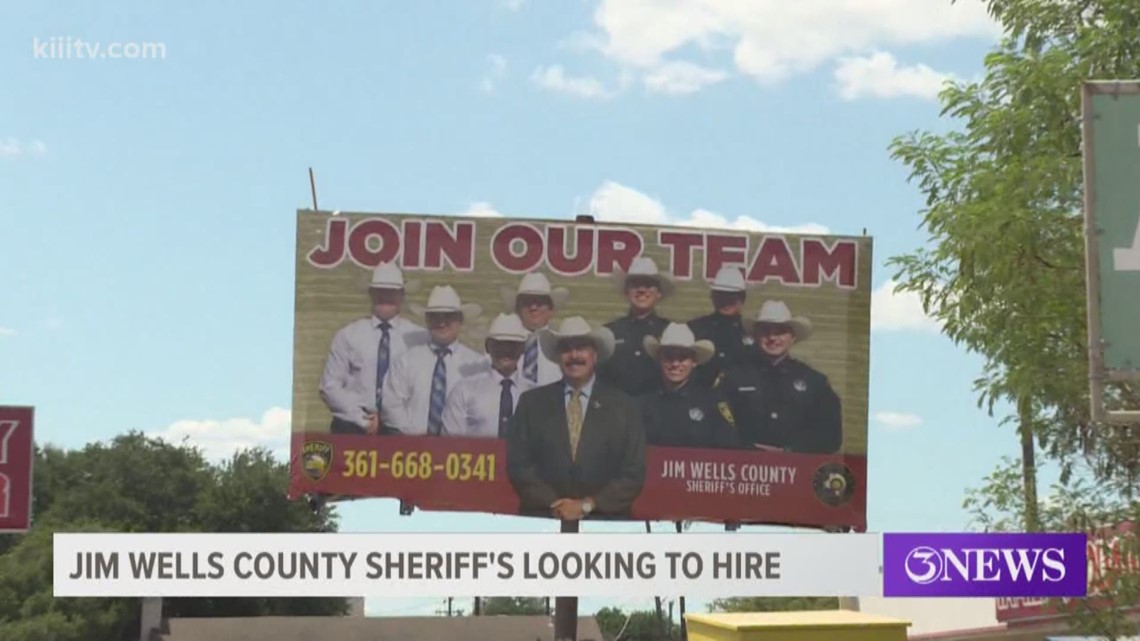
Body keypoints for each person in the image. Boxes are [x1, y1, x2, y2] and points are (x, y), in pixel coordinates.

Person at [506, 316, 646, 519]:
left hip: (604, 525)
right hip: (544, 521)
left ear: (595, 355)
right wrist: (555, 505)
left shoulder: (623, 407)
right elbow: (519, 465)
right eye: (566, 349)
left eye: (581, 348)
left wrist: (587, 506)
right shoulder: (532, 403)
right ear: (557, 357)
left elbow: (633, 474)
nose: (574, 356)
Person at [719, 300, 843, 454]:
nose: (772, 337)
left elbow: (831, 436)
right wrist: (750, 449)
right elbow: (718, 425)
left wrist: (790, 451)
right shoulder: (733, 377)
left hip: (796, 468)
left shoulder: (814, 382)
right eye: (766, 330)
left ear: (793, 337)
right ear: (755, 335)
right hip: (745, 464)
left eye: (780, 331)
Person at [318, 262, 428, 435]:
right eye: (380, 290)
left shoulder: (420, 338)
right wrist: (362, 419)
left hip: (403, 430)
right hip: (353, 427)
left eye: (391, 291)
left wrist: (393, 419)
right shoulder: (348, 335)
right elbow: (329, 386)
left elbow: (424, 389)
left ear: (402, 295)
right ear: (371, 293)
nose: (386, 296)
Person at [380, 285, 487, 435]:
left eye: (448, 317)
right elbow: (391, 404)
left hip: (462, 451)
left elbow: (484, 411)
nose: (442, 322)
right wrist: (413, 435)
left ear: (460, 320)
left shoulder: (477, 365)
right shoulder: (408, 360)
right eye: (436, 316)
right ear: (427, 320)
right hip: (412, 449)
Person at [639, 323, 739, 450]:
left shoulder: (712, 403)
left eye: (683, 357)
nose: (675, 364)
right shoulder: (642, 403)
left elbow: (729, 449)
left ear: (694, 362)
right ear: (659, 359)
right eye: (669, 357)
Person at [441, 313, 534, 438]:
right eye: (500, 344)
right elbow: (451, 441)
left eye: (513, 344)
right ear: (488, 347)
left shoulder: (534, 393)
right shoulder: (465, 390)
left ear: (523, 348)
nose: (506, 350)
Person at [598, 256, 672, 398]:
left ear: (659, 293)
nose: (642, 289)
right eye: (635, 284)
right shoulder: (610, 331)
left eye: (648, 284)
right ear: (626, 291)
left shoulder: (669, 331)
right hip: (618, 411)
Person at [687, 266, 752, 389]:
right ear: (713, 297)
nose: (726, 302)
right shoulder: (695, 329)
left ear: (742, 299)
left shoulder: (751, 333)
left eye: (732, 297)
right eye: (721, 296)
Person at [500, 272, 567, 386]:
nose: (533, 307)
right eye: (527, 302)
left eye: (540, 302)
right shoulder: (500, 347)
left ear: (551, 309)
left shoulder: (563, 348)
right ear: (517, 308)